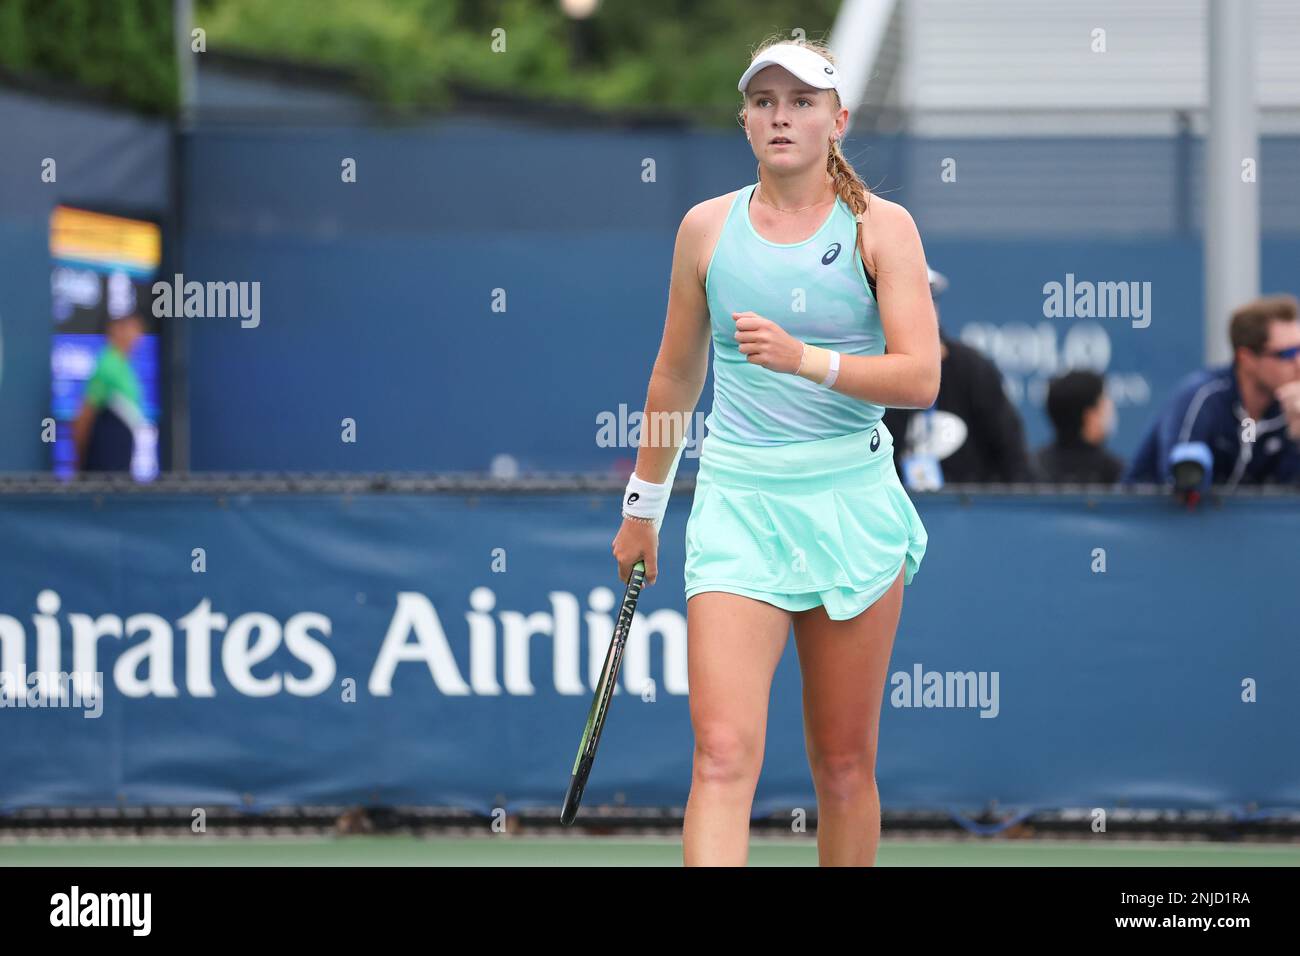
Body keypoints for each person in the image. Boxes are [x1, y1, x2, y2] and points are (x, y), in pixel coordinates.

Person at [610, 37, 939, 866]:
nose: (781, 116)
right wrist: (642, 508)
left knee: (842, 763)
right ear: (746, 118)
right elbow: (674, 376)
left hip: (852, 505)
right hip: (735, 507)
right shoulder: (704, 230)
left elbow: (920, 378)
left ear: (838, 118)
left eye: (801, 101)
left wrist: (808, 360)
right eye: (764, 101)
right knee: (721, 755)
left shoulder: (883, 229)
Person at [1123, 294, 1300, 487]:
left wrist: (1297, 435)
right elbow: (1180, 485)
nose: (1298, 363)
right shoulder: (1202, 396)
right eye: (1287, 354)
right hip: (1151, 517)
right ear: (1246, 358)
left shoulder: (1290, 408)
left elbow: (1287, 499)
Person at [884, 274, 1034, 487]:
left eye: (927, 299)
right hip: (897, 511)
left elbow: (1011, 452)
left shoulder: (973, 369)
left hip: (972, 512)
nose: (916, 311)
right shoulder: (875, 370)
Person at [73, 311, 146, 473]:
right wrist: (78, 463)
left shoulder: (125, 365)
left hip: (122, 455)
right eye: (132, 328)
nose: (138, 336)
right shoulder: (107, 364)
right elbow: (85, 413)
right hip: (105, 462)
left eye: (139, 330)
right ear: (115, 330)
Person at [1032, 370, 1124, 484]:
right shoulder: (1118, 476)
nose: (1111, 410)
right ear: (1090, 416)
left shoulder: (1034, 466)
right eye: (1104, 403)